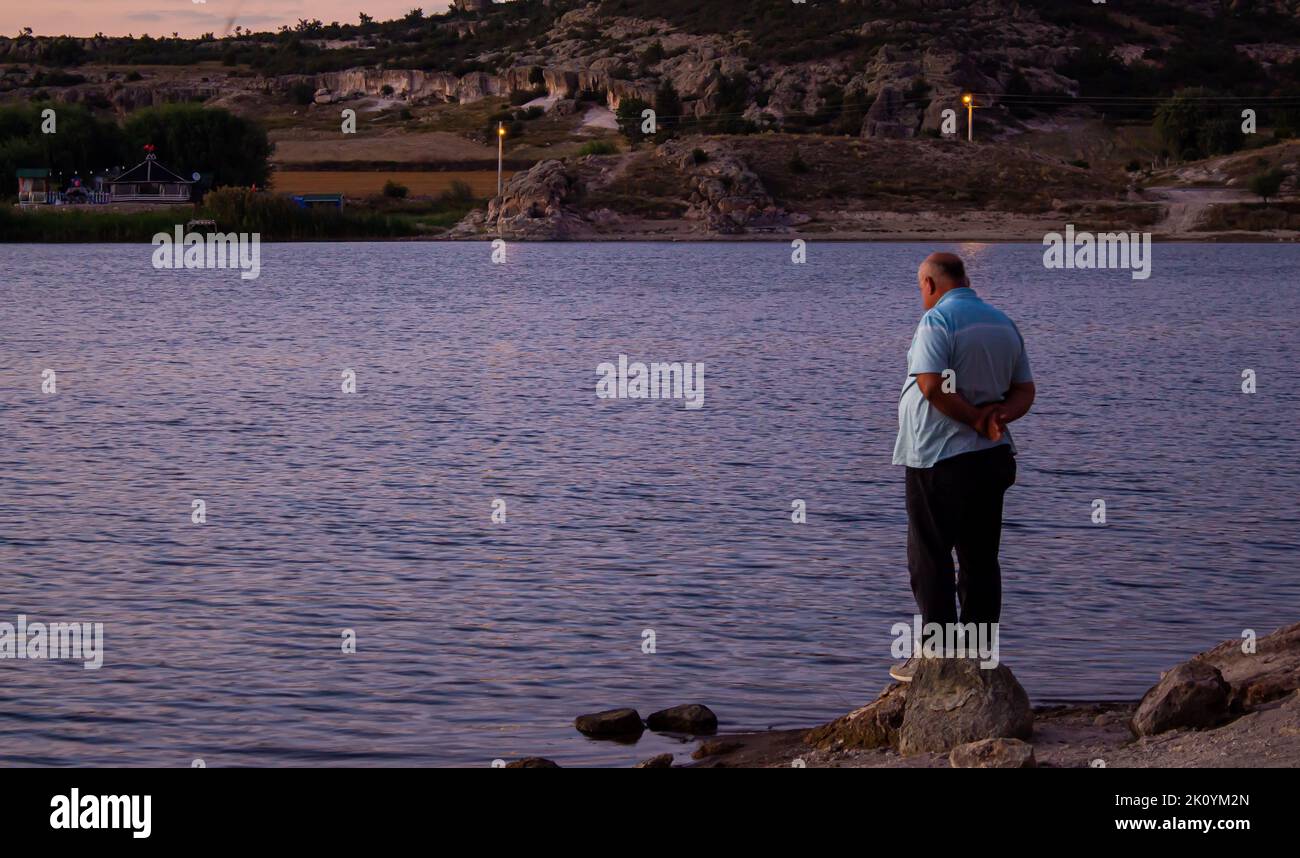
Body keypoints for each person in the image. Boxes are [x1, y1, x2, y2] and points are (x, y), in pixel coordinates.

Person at [890, 252, 1035, 682]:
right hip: (991, 460)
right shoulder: (1001, 322)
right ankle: (977, 656)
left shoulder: (937, 322)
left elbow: (930, 384)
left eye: (921, 288)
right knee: (980, 558)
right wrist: (998, 417)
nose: (922, 296)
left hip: (937, 457)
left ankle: (937, 657)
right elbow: (1025, 390)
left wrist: (975, 418)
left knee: (929, 555)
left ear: (931, 285)